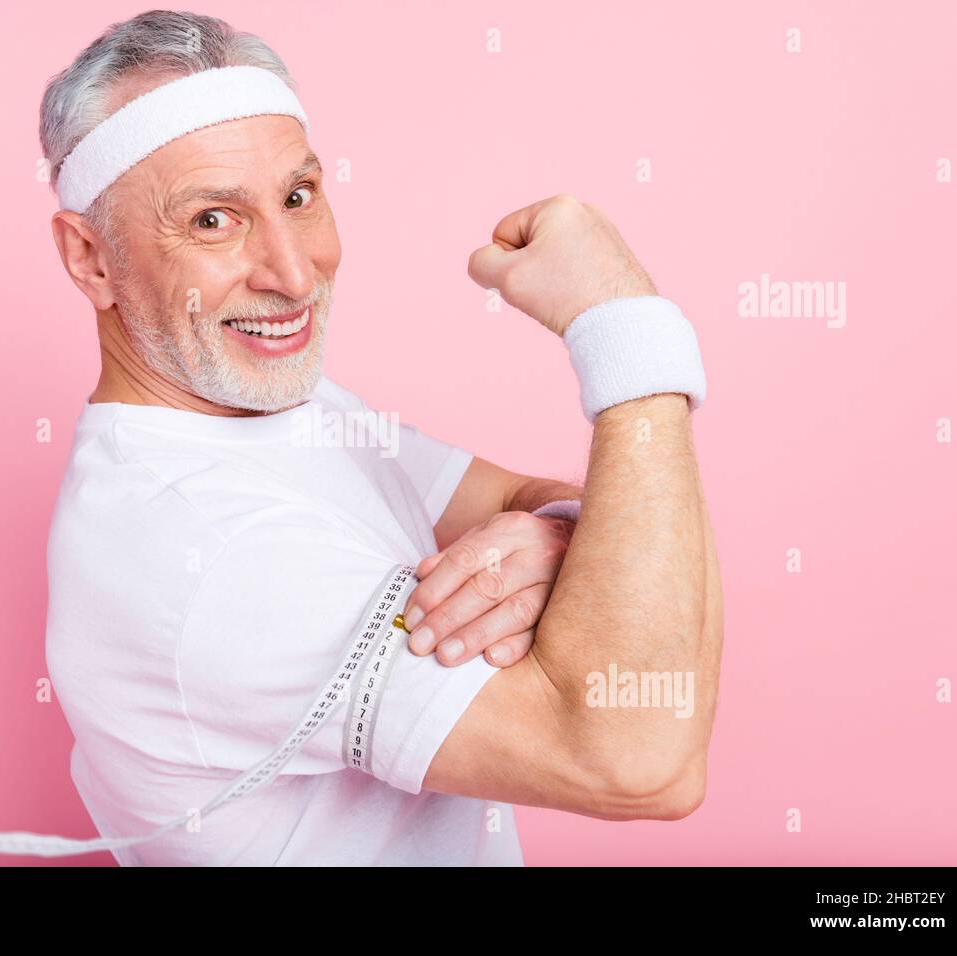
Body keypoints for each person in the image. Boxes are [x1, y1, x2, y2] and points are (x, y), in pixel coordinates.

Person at [41, 10, 723, 866]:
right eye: (213, 220)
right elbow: (639, 760)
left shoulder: (273, 408)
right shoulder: (208, 552)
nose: (292, 273)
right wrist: (627, 334)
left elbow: (538, 502)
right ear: (91, 259)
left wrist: (549, 535)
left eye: (298, 197)